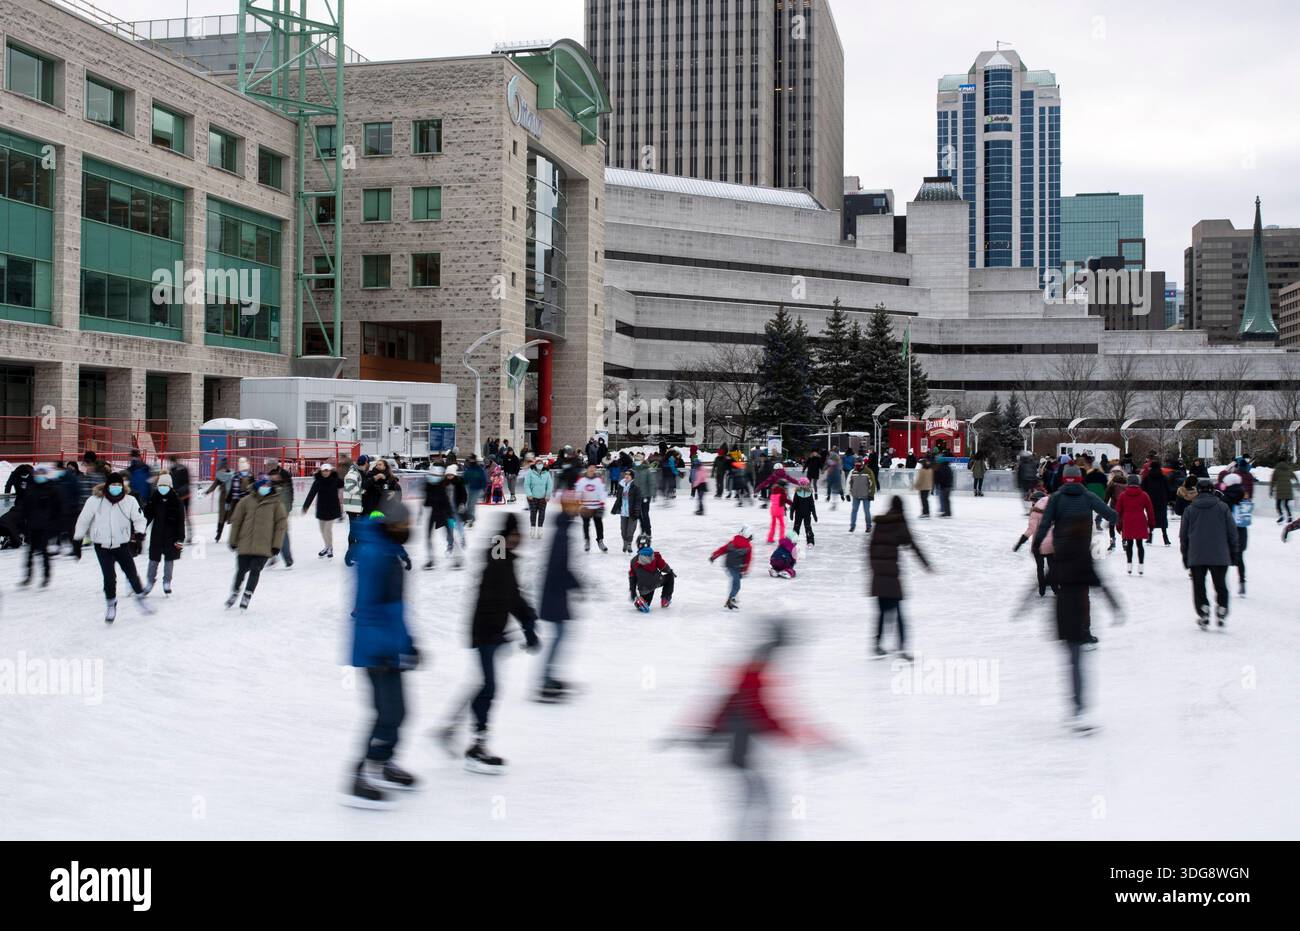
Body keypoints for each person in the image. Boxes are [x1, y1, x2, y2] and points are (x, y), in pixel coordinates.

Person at [440, 513, 540, 773]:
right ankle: (476, 746)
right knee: (488, 687)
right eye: (516, 535)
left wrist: (528, 623)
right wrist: (517, 626)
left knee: (484, 685)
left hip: (491, 631)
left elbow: (513, 595)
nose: (520, 539)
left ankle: (451, 730)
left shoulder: (503, 557)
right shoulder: (498, 557)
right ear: (507, 535)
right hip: (485, 631)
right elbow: (501, 596)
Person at [344, 501, 419, 808]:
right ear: (390, 526)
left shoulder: (388, 551)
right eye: (404, 526)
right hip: (376, 650)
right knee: (389, 713)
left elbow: (396, 609)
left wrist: (408, 643)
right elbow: (370, 608)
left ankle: (384, 761)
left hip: (388, 646)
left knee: (397, 712)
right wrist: (385, 650)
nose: (407, 531)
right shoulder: (376, 554)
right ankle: (361, 774)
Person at [73, 472, 152, 623]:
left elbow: (139, 518)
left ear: (122, 486)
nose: (116, 488)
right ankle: (111, 603)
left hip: (122, 544)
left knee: (131, 573)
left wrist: (140, 532)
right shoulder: (94, 501)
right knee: (109, 577)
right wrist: (77, 540)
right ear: (107, 486)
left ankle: (140, 597)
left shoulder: (129, 501)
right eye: (113, 485)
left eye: (118, 485)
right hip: (101, 546)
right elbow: (83, 520)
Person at [1051, 514, 1101, 731]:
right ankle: (1078, 708)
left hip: (1062, 609)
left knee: (1072, 662)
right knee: (1077, 664)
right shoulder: (1083, 554)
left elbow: (1045, 578)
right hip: (1079, 610)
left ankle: (1076, 707)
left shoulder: (1061, 552)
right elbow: (1098, 582)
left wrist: (1023, 606)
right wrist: (1115, 604)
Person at [868, 495, 931, 660]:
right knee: (899, 613)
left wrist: (874, 568)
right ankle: (902, 647)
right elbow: (912, 545)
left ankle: (876, 645)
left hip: (878, 576)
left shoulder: (880, 522)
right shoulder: (899, 522)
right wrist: (926, 564)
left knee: (882, 612)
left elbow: (870, 547)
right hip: (892, 576)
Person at [537, 495, 583, 701]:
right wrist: (576, 585)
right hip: (554, 593)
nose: (579, 507)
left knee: (559, 635)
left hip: (555, 591)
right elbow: (559, 566)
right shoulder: (562, 532)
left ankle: (548, 677)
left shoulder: (563, 528)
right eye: (576, 504)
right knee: (559, 635)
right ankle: (545, 679)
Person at [1180, 477, 1238, 629]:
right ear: (1213, 490)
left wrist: (1185, 555)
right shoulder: (1223, 507)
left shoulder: (1190, 509)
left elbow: (1183, 535)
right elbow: (1232, 533)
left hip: (1196, 554)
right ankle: (1222, 608)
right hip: (1220, 554)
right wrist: (1234, 552)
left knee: (1199, 585)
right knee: (1220, 584)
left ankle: (1203, 609)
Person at [225, 474, 288, 611]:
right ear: (258, 485)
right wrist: (233, 540)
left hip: (264, 545)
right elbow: (237, 522)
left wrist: (276, 545)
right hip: (245, 543)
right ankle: (235, 592)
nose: (266, 487)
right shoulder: (246, 501)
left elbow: (281, 525)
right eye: (263, 484)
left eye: (268, 485)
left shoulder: (276, 503)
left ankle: (247, 594)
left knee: (255, 570)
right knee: (241, 570)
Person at [18, 464, 63, 588]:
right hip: (32, 525)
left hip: (45, 526)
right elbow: (24, 508)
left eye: (41, 473)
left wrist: (54, 525)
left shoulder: (52, 489)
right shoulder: (30, 489)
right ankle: (28, 576)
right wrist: (22, 524)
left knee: (43, 551)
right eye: (37, 474)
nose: (39, 476)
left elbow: (58, 509)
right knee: (29, 552)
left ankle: (46, 575)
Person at [141, 472, 185, 595]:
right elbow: (148, 515)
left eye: (165, 485)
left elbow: (181, 521)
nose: (162, 487)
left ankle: (167, 582)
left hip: (171, 536)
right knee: (153, 559)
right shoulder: (154, 498)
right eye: (161, 485)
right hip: (157, 534)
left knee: (169, 560)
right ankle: (150, 581)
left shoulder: (177, 501)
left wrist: (180, 538)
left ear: (170, 486)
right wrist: (141, 527)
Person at [421, 464, 466, 569]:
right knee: (428, 536)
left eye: (435, 475)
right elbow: (427, 502)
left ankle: (458, 558)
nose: (432, 476)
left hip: (446, 514)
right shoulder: (429, 484)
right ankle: (430, 560)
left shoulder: (442, 485)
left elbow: (446, 501)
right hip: (434, 513)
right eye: (431, 474)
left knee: (450, 535)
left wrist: (459, 507)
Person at [1015, 486, 1055, 597]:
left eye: (1033, 502)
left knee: (1040, 567)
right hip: (1051, 545)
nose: (1032, 504)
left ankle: (1042, 588)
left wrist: (1020, 542)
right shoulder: (1053, 510)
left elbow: (1031, 530)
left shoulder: (1035, 513)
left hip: (1038, 545)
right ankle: (1055, 587)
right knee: (1052, 567)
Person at [1114, 473, 1155, 576]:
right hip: (1140, 520)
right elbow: (1150, 511)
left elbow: (1118, 512)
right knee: (1140, 544)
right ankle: (1141, 566)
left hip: (1127, 521)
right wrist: (1151, 524)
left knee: (1129, 544)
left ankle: (1129, 565)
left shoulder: (1123, 495)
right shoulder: (1144, 495)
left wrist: (1118, 525)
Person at [1220, 473, 1252, 597]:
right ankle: (1242, 581)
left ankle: (1222, 584)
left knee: (1224, 557)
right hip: (1242, 530)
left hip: (1228, 531)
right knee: (1239, 557)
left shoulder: (1225, 497)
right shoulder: (1244, 495)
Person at [301, 463, 344, 557]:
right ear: (321, 471)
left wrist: (336, 473)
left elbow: (343, 483)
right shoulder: (318, 481)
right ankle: (327, 546)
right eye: (324, 471)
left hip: (332, 508)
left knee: (327, 530)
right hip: (321, 509)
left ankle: (330, 548)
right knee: (322, 530)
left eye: (327, 470)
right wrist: (306, 506)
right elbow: (311, 494)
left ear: (330, 471)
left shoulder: (335, 480)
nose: (325, 472)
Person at [710, 525, 754, 610]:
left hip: (728, 564)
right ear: (748, 535)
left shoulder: (733, 541)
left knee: (735, 581)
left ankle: (732, 597)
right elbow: (748, 560)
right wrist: (744, 570)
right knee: (737, 585)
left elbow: (723, 549)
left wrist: (714, 556)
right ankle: (730, 600)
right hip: (736, 567)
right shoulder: (748, 546)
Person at [629, 534, 675, 611]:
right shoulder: (655, 555)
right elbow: (663, 567)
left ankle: (640, 602)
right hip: (655, 581)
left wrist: (633, 592)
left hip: (643, 588)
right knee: (670, 577)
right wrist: (670, 571)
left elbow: (632, 578)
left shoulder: (633, 561)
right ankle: (665, 599)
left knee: (646, 603)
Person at [265, 458, 295, 569]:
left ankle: (288, 559)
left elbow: (289, 492)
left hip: (283, 509)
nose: (268, 468)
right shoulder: (269, 477)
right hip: (272, 509)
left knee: (282, 533)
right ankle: (273, 556)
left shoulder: (285, 475)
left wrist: (288, 508)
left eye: (269, 465)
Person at [342, 454, 370, 564]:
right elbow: (350, 487)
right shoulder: (353, 473)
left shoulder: (359, 472)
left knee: (357, 531)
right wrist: (362, 491)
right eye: (368, 462)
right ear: (365, 463)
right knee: (354, 531)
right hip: (353, 507)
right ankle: (351, 554)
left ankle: (356, 553)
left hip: (357, 507)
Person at [575, 463, 608, 552]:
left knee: (599, 524)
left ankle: (600, 541)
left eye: (594, 467)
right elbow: (578, 492)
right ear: (587, 468)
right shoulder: (581, 479)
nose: (592, 469)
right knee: (586, 525)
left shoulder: (598, 479)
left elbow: (602, 491)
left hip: (596, 505)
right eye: (590, 467)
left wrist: (602, 503)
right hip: (585, 506)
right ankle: (587, 541)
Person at [1140, 457, 1171, 545]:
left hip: (1150, 501)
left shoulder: (1147, 478)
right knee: (1162, 519)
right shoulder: (1164, 478)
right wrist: (1168, 499)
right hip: (1162, 501)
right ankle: (1165, 538)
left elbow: (1143, 489)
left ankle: (1150, 537)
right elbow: (1168, 489)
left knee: (1151, 518)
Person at [523, 456, 554, 537]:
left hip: (543, 498)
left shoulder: (546, 473)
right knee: (533, 513)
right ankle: (532, 529)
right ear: (535, 464)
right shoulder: (530, 472)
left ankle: (540, 529)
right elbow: (526, 484)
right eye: (538, 463)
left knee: (542, 514)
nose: (539, 464)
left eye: (541, 463)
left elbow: (549, 485)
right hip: (532, 497)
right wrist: (529, 494)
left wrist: (547, 495)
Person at [613, 470, 642, 553]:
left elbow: (638, 501)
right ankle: (624, 543)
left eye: (628, 475)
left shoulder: (636, 487)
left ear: (632, 477)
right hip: (623, 512)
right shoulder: (621, 486)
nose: (626, 476)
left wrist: (637, 511)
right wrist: (615, 508)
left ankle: (629, 544)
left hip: (632, 511)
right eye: (625, 474)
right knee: (623, 529)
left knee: (630, 529)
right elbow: (618, 499)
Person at [166, 456, 193, 543]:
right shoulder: (181, 469)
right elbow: (188, 482)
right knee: (185, 516)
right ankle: (188, 535)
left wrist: (177, 492)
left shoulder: (173, 470)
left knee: (180, 517)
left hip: (180, 496)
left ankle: (183, 535)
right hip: (185, 495)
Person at [848, 461, 877, 533]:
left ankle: (868, 526)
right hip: (856, 495)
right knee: (854, 510)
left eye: (858, 464)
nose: (857, 465)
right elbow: (850, 482)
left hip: (866, 495)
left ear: (862, 464)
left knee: (867, 511)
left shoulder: (868, 471)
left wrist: (871, 494)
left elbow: (872, 483)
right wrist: (848, 492)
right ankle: (852, 526)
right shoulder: (853, 471)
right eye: (856, 464)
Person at [633, 453, 656, 540]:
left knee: (645, 514)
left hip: (645, 495)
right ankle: (642, 531)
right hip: (637, 497)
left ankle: (648, 532)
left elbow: (651, 483)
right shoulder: (634, 470)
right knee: (638, 515)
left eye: (638, 460)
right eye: (635, 460)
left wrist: (651, 494)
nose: (637, 462)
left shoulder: (647, 470)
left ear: (642, 461)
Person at [790, 477, 818, 545]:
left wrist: (814, 514)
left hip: (806, 514)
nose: (803, 486)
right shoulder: (797, 493)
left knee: (807, 527)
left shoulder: (809, 493)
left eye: (804, 484)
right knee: (797, 527)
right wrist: (791, 512)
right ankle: (794, 541)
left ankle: (810, 541)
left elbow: (812, 505)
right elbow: (794, 504)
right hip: (800, 514)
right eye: (802, 484)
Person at [1271, 453, 1295, 523]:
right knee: (1286, 504)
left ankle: (1281, 516)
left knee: (1278, 504)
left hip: (1280, 490)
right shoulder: (1288, 469)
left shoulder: (1277, 470)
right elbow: (1294, 476)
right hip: (1288, 490)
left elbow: (1273, 480)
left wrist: (1271, 490)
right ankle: (1290, 517)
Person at [765, 479, 789, 544]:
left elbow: (775, 500)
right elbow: (785, 500)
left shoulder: (773, 490)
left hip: (773, 510)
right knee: (782, 525)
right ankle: (781, 540)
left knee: (773, 525)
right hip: (779, 511)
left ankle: (770, 539)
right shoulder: (782, 492)